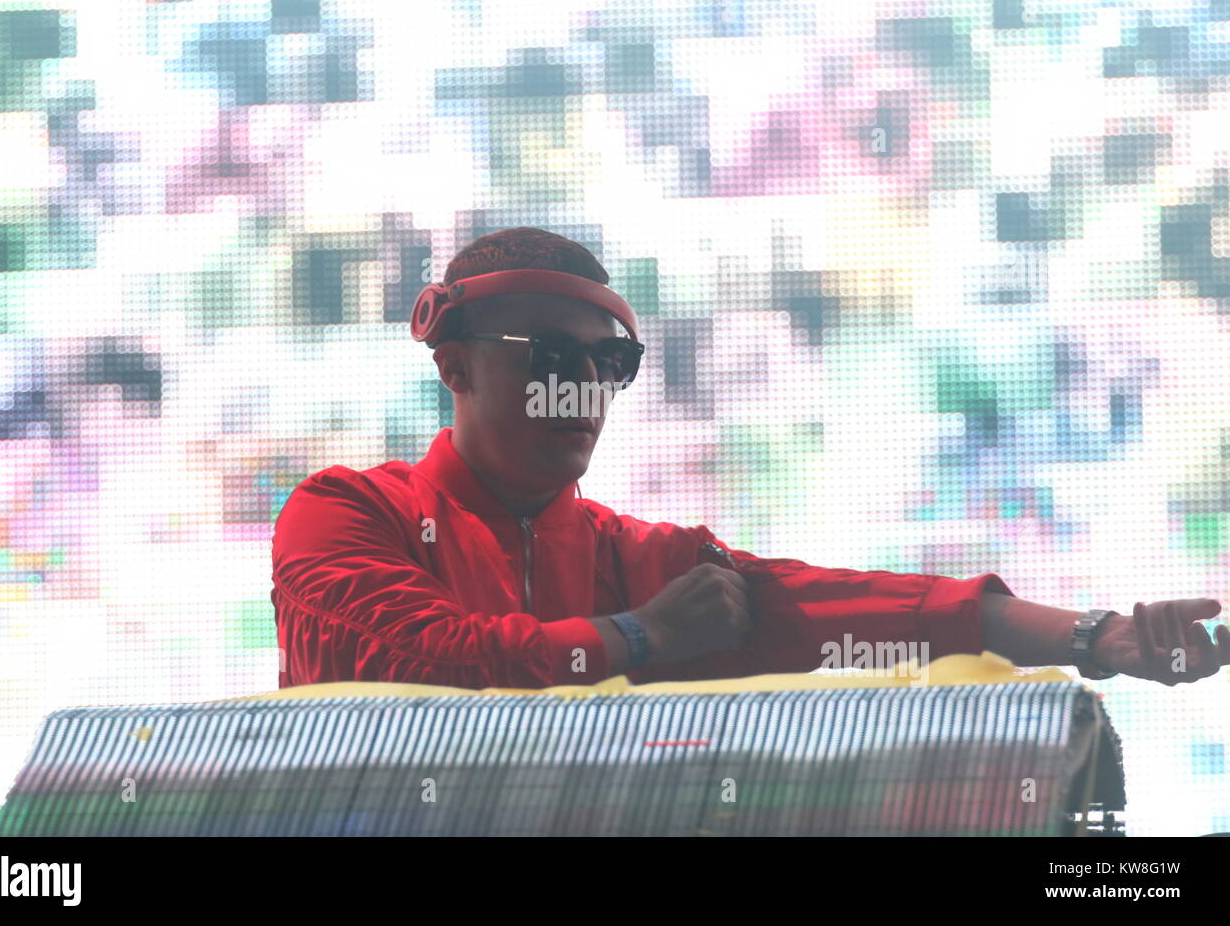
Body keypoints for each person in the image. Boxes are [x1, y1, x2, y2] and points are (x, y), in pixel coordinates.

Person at [271, 227, 1230, 689]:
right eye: (556, 358)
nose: (587, 387)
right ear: (454, 363)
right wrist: (638, 638)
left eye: (613, 363)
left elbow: (840, 610)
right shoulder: (343, 509)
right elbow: (416, 658)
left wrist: (1090, 639)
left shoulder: (633, 559)